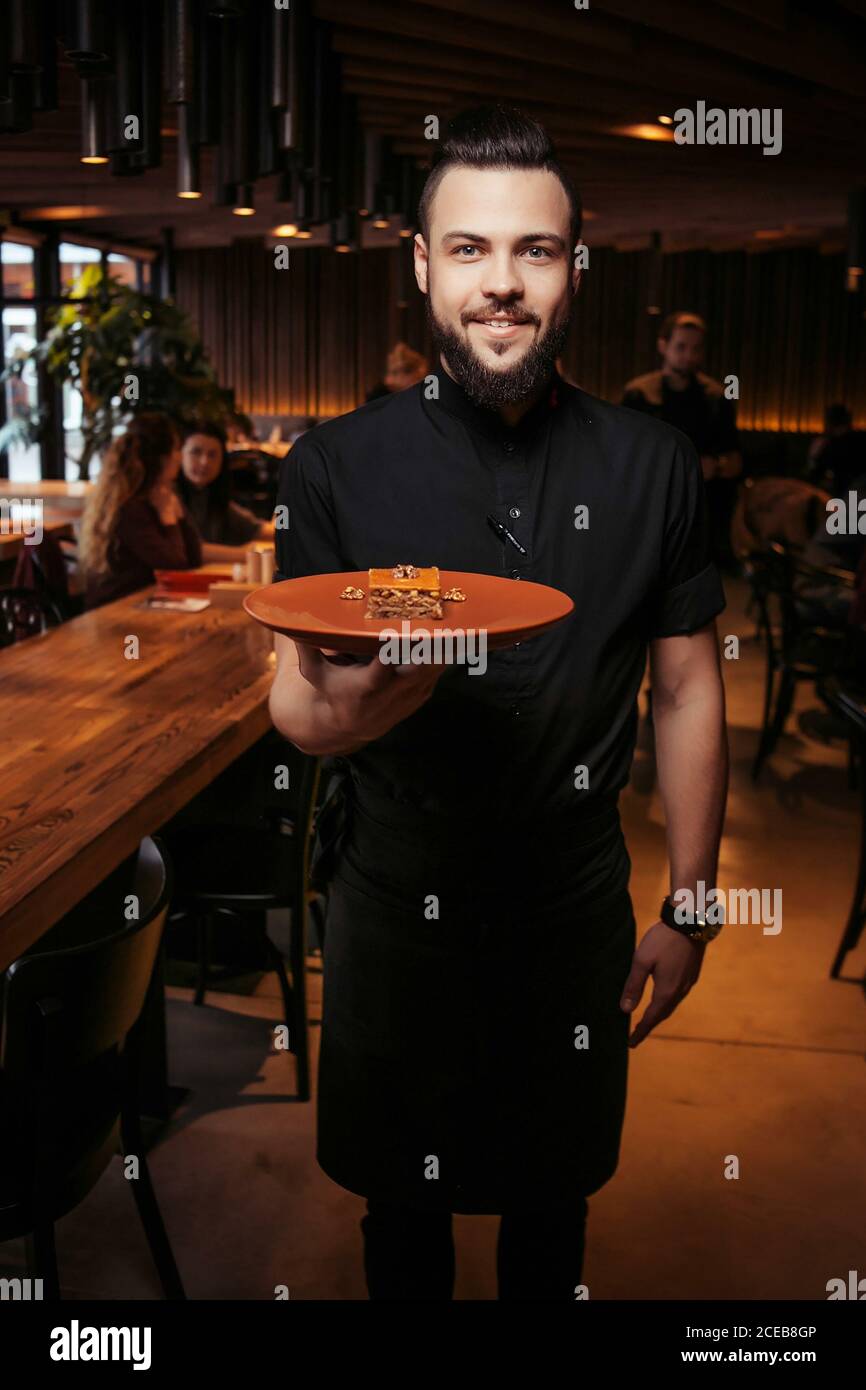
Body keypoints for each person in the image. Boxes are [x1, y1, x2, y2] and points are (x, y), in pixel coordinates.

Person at [268, 106, 728, 1301]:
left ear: (573, 271)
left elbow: (683, 689)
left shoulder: (653, 468)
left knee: (550, 1205)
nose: (501, 283)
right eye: (468, 249)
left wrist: (690, 902)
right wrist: (370, 704)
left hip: (569, 900)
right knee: (400, 1214)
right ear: (421, 267)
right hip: (387, 896)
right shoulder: (331, 467)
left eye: (533, 250)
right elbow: (297, 711)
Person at [621, 312, 742, 569]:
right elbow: (623, 460)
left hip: (702, 512)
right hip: (650, 509)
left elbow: (735, 461)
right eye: (681, 347)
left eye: (696, 349)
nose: (689, 356)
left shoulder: (716, 399)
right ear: (663, 346)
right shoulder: (639, 394)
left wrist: (714, 466)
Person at [80, 412, 202, 609]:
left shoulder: (158, 498)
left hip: (145, 604)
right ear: (163, 458)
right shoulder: (129, 507)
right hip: (115, 614)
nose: (180, 457)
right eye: (177, 449)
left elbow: (195, 559)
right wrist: (169, 519)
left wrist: (177, 516)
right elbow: (176, 569)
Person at [177, 421, 274, 562]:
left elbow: (256, 529)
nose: (204, 462)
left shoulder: (212, 497)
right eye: (196, 452)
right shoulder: (168, 495)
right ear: (179, 454)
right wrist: (247, 555)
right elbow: (188, 549)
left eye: (212, 455)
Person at [805, 404, 864, 493]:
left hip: (844, 495)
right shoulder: (861, 439)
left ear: (829, 423)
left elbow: (816, 472)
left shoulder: (832, 445)